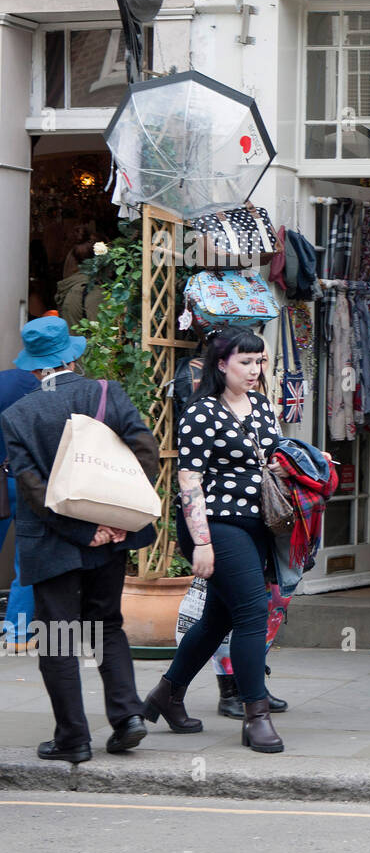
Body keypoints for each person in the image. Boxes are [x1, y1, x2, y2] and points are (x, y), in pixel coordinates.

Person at [0, 316, 159, 762]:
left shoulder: (17, 416)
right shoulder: (105, 393)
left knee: (58, 639)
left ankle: (73, 739)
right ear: (73, 355)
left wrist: (83, 531)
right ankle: (128, 716)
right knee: (108, 624)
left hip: (53, 543)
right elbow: (144, 451)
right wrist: (117, 520)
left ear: (35, 369)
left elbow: (33, 491)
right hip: (113, 537)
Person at [151, 328, 288, 753]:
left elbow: (271, 459)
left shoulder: (262, 405)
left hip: (257, 524)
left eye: (259, 362)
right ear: (221, 363)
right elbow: (189, 480)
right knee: (251, 612)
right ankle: (256, 715)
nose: (254, 370)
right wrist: (203, 543)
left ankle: (166, 696)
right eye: (245, 362)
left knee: (217, 620)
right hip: (216, 525)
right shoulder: (200, 411)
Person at [0, 361, 39, 645]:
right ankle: (18, 634)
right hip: (30, 482)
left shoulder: (4, 381)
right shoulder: (48, 389)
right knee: (26, 559)